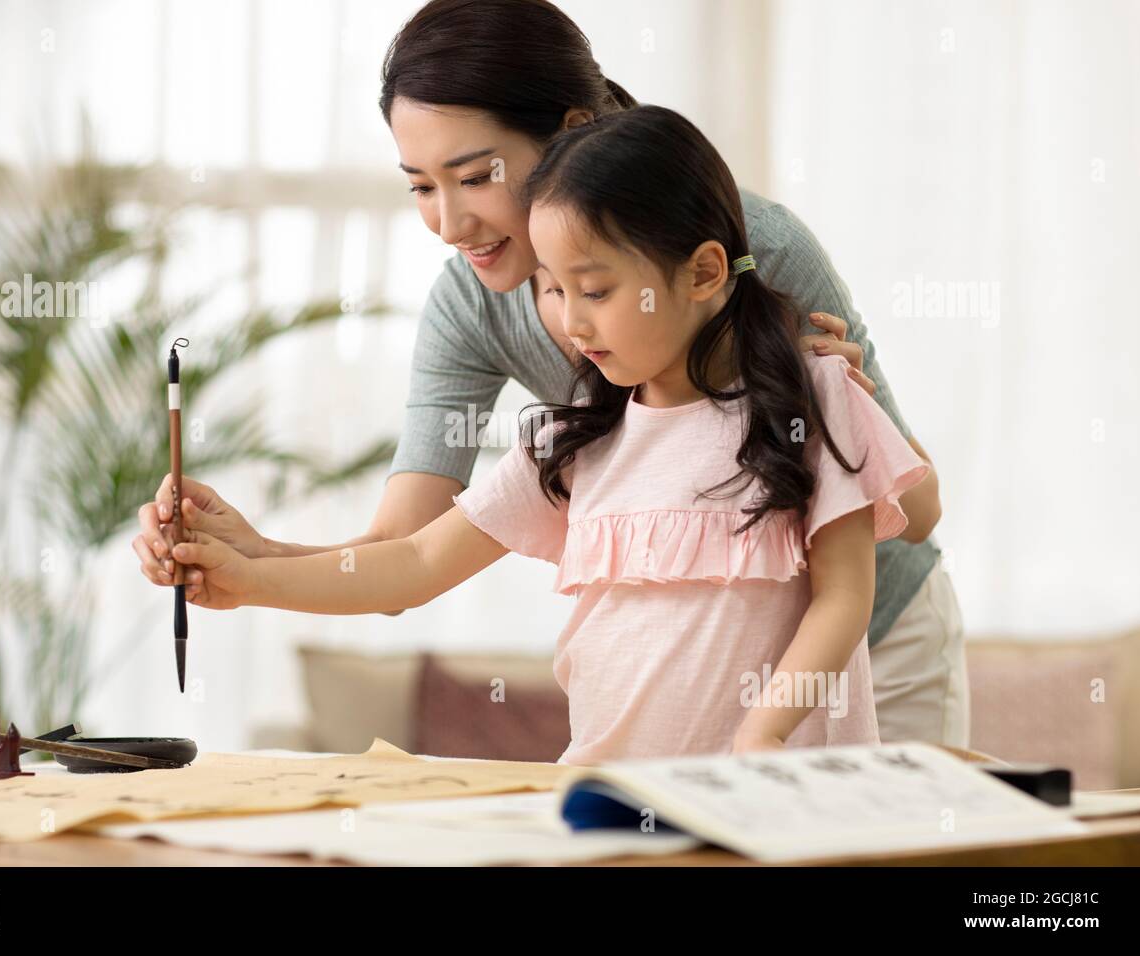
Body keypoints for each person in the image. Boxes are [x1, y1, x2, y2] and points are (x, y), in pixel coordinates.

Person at [132, 0, 968, 749]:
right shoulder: (544, 402)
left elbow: (912, 509)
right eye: (422, 185)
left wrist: (843, 407)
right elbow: (411, 558)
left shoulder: (747, 245)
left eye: (474, 176)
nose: (450, 221)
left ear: (569, 132)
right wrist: (250, 560)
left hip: (862, 658)